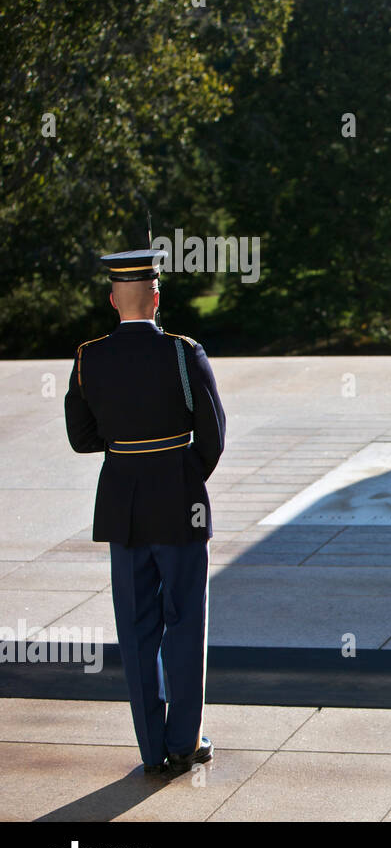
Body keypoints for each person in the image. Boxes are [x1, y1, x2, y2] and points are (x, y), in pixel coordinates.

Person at [64, 249, 226, 777]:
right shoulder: (184, 352)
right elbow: (214, 435)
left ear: (113, 300)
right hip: (179, 503)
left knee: (135, 627)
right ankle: (185, 741)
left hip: (123, 506)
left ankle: (151, 748)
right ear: (157, 297)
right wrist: (182, 473)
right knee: (185, 620)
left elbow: (81, 438)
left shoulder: (90, 356)